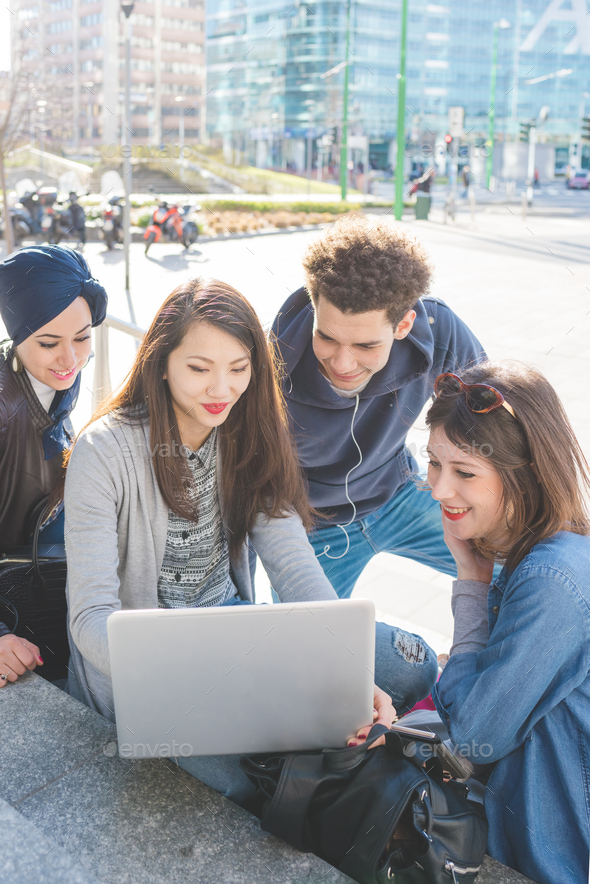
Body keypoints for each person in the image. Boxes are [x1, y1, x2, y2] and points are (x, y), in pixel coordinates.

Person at [64, 278, 437, 808]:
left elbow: (293, 566)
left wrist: (342, 668)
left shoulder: (249, 432)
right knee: (247, 781)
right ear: (160, 362)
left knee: (411, 662)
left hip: (235, 631)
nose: (221, 390)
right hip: (153, 671)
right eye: (199, 369)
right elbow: (91, 619)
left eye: (239, 369)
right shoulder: (102, 452)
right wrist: (207, 676)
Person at [426, 362, 590, 884]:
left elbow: (474, 736)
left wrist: (472, 581)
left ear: (524, 473)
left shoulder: (550, 576)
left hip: (545, 851)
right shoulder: (545, 548)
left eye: (464, 472)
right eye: (433, 464)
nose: (438, 490)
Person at [271, 215, 486, 600]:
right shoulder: (270, 361)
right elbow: (244, 476)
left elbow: (493, 425)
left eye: (366, 346)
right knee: (308, 648)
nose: (341, 363)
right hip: (315, 527)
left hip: (400, 495)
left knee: (524, 572)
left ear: (403, 326)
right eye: (327, 337)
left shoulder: (439, 329)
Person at [0, 244, 108, 687]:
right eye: (48, 343)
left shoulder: (60, 374)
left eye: (83, 338)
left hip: (45, 559)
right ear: (14, 333)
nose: (70, 359)